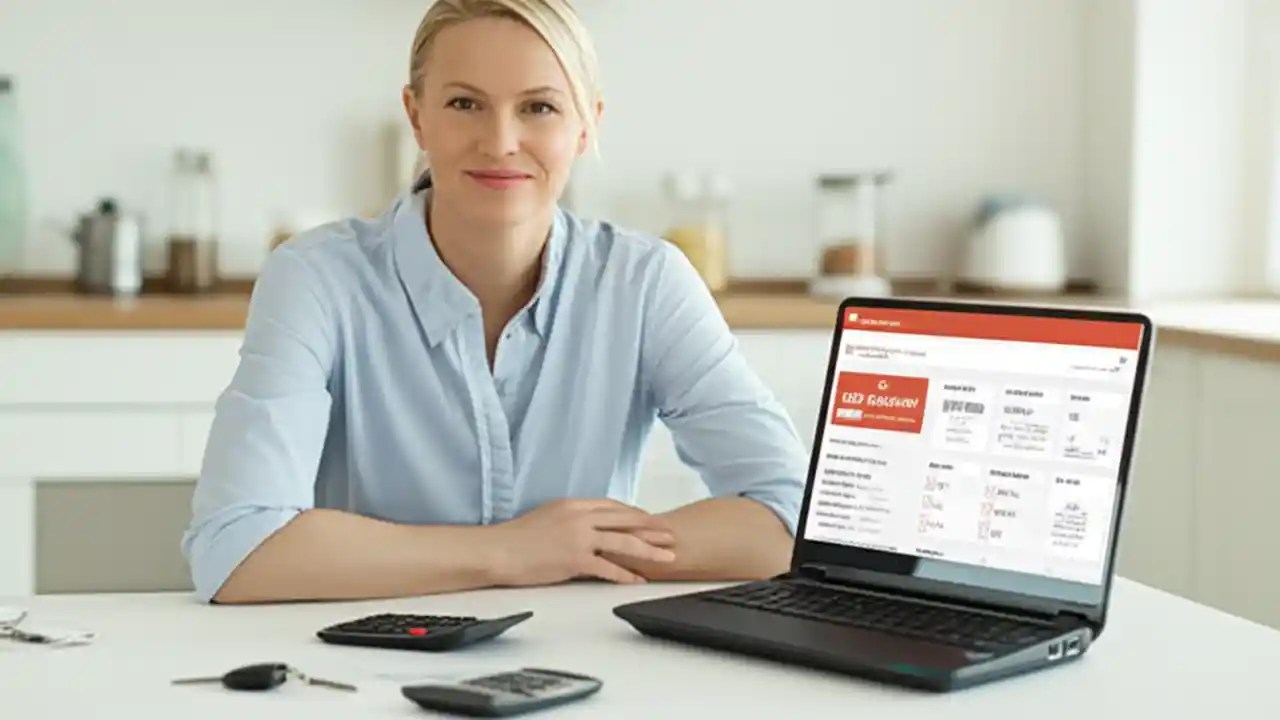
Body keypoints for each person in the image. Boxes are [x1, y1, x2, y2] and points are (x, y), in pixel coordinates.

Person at [181, 0, 808, 604]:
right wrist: (511, 552)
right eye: (464, 104)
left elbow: (795, 517)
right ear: (417, 115)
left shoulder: (644, 283)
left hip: (581, 662)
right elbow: (238, 547)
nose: (501, 140)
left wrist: (579, 549)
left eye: (538, 107)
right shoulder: (316, 278)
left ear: (586, 125)